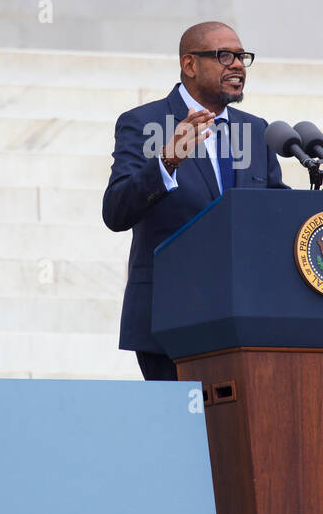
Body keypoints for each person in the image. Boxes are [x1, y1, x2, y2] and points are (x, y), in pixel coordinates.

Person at [102, 22, 290, 380]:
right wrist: (167, 161)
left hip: (244, 321)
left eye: (241, 57)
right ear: (190, 64)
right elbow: (115, 211)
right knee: (184, 433)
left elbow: (275, 213)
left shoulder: (256, 131)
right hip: (170, 321)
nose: (237, 65)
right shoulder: (145, 123)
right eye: (224, 56)